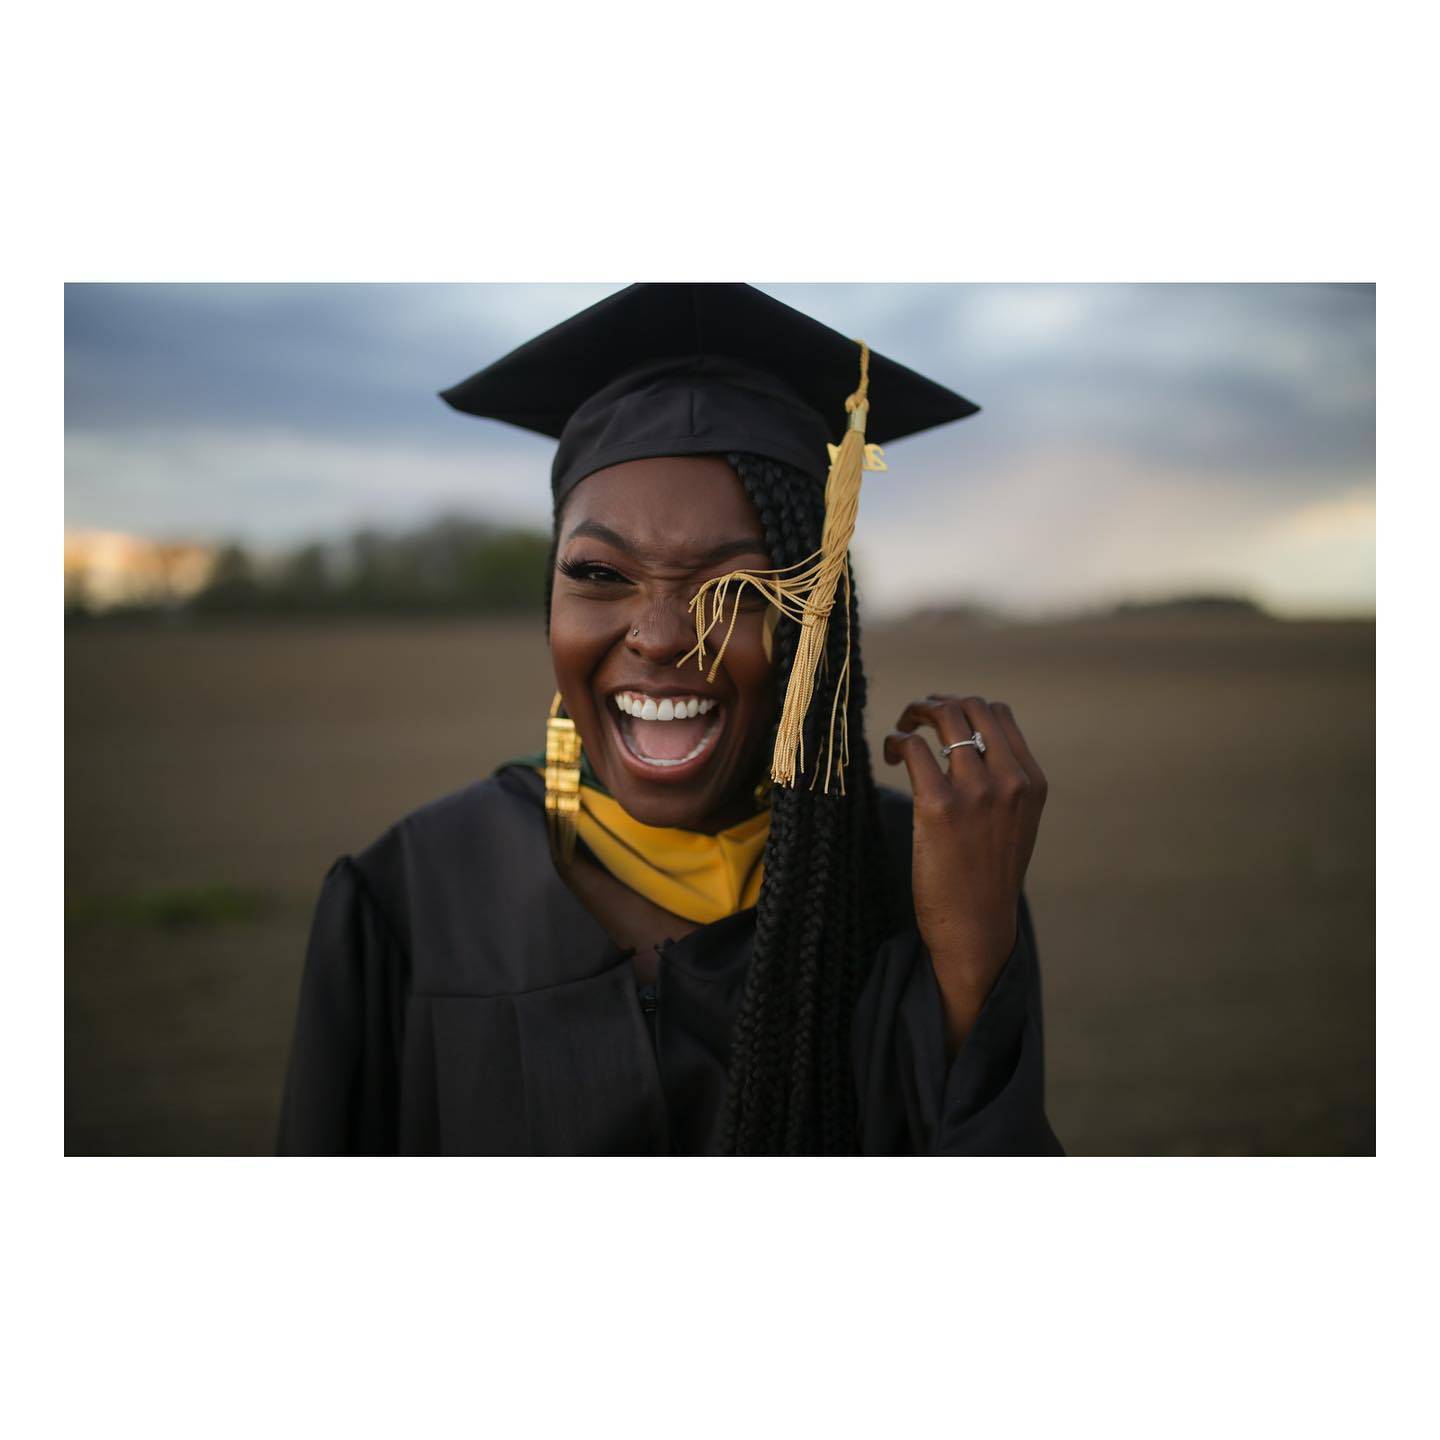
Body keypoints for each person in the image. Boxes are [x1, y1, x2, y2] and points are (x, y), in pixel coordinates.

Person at [277, 283, 1062, 1155]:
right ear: (550, 596)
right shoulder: (411, 897)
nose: (661, 638)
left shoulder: (923, 883)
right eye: (602, 574)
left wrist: (966, 961)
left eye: (741, 587)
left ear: (822, 619)